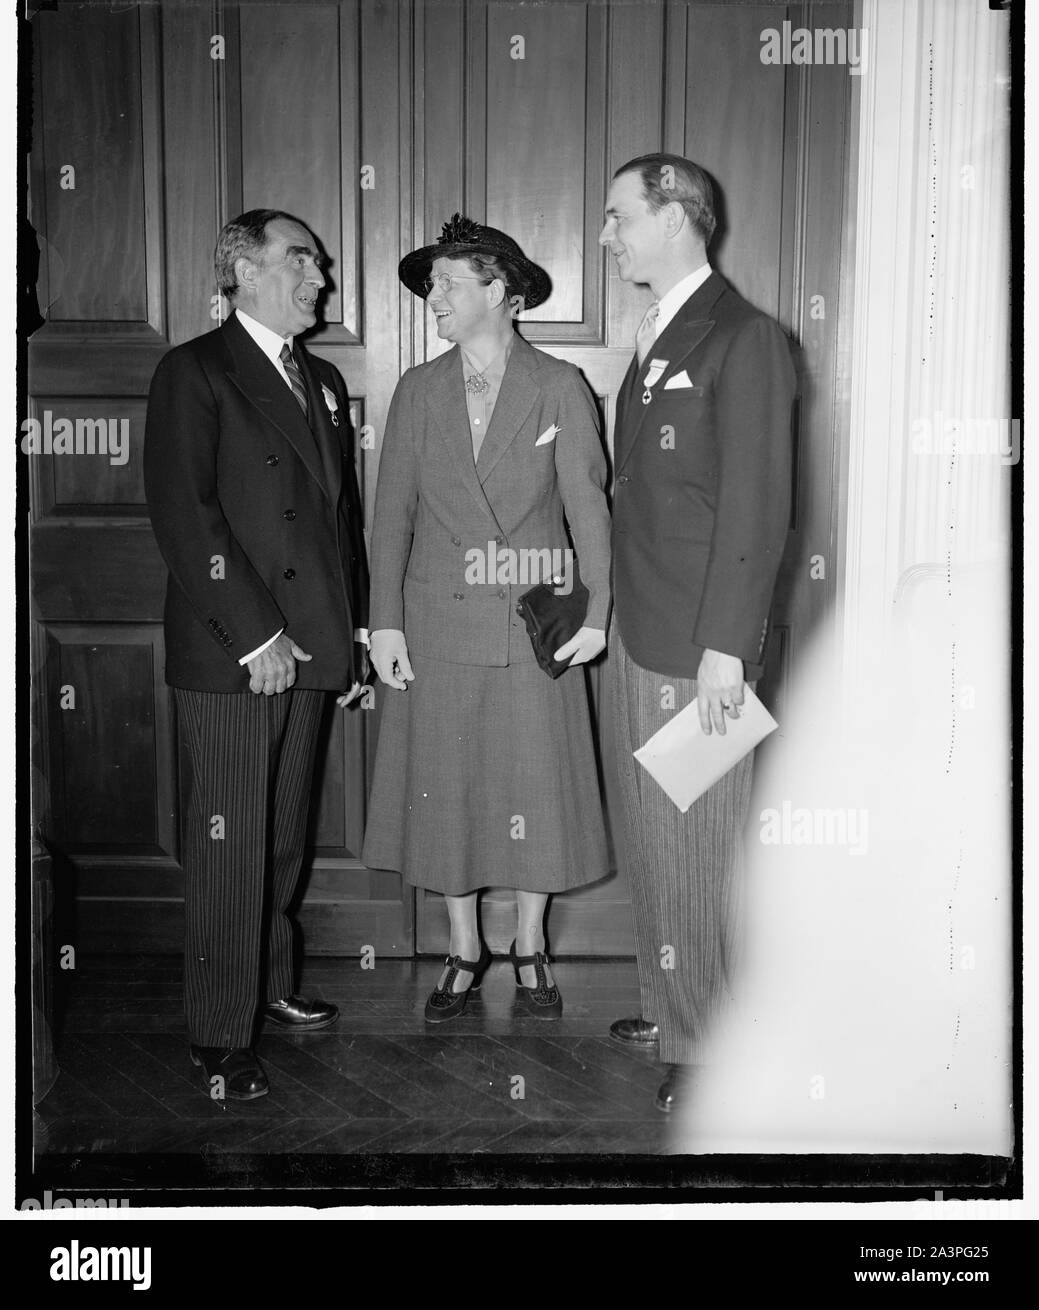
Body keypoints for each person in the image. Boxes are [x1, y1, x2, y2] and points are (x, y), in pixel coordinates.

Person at [361, 214, 611, 1020]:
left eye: (447, 283)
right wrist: (384, 623)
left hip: (533, 628)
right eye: (431, 285)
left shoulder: (560, 386)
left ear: (499, 292)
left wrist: (597, 611)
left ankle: (529, 942)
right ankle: (464, 947)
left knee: (535, 790)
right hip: (435, 625)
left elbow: (589, 510)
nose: (432, 296)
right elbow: (389, 515)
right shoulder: (416, 389)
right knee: (448, 791)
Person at [143, 209, 369, 1100]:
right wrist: (258, 636)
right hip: (239, 651)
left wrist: (346, 633)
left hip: (310, 644)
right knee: (230, 840)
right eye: (299, 259)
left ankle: (270, 983)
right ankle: (217, 1032)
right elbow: (185, 518)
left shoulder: (317, 379)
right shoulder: (193, 370)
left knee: (277, 835)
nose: (318, 276)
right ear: (240, 269)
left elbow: (331, 523)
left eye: (318, 260)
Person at [601, 154, 795, 1112]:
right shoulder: (657, 332)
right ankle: (671, 1003)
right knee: (657, 840)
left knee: (697, 847)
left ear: (675, 215)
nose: (607, 235)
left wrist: (729, 650)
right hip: (641, 631)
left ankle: (704, 1044)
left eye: (619, 215)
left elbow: (756, 509)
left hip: (701, 651)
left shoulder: (743, 337)